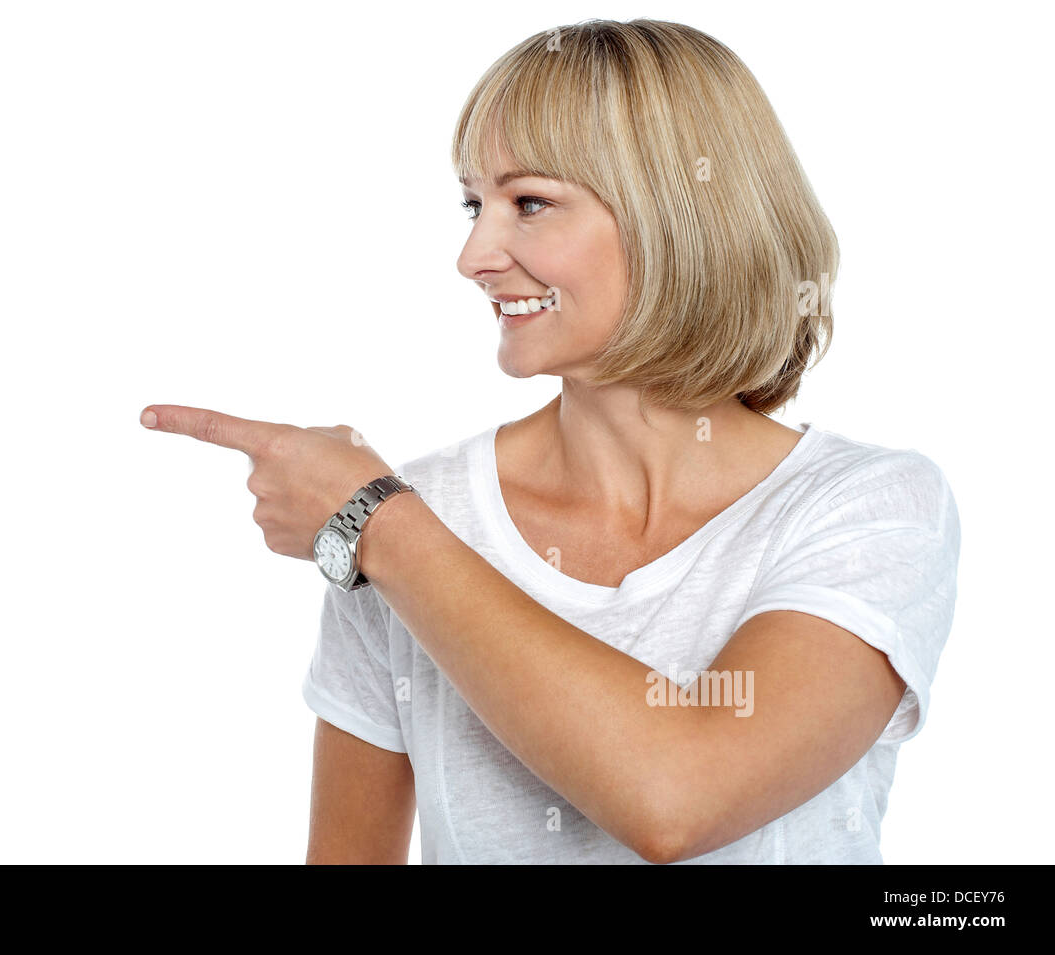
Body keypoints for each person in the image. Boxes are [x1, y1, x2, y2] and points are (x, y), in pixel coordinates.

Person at [298, 18, 961, 864]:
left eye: (528, 202)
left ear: (676, 215)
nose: (473, 254)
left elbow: (678, 799)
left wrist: (378, 524)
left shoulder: (869, 508)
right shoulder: (413, 514)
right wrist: (382, 524)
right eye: (475, 203)